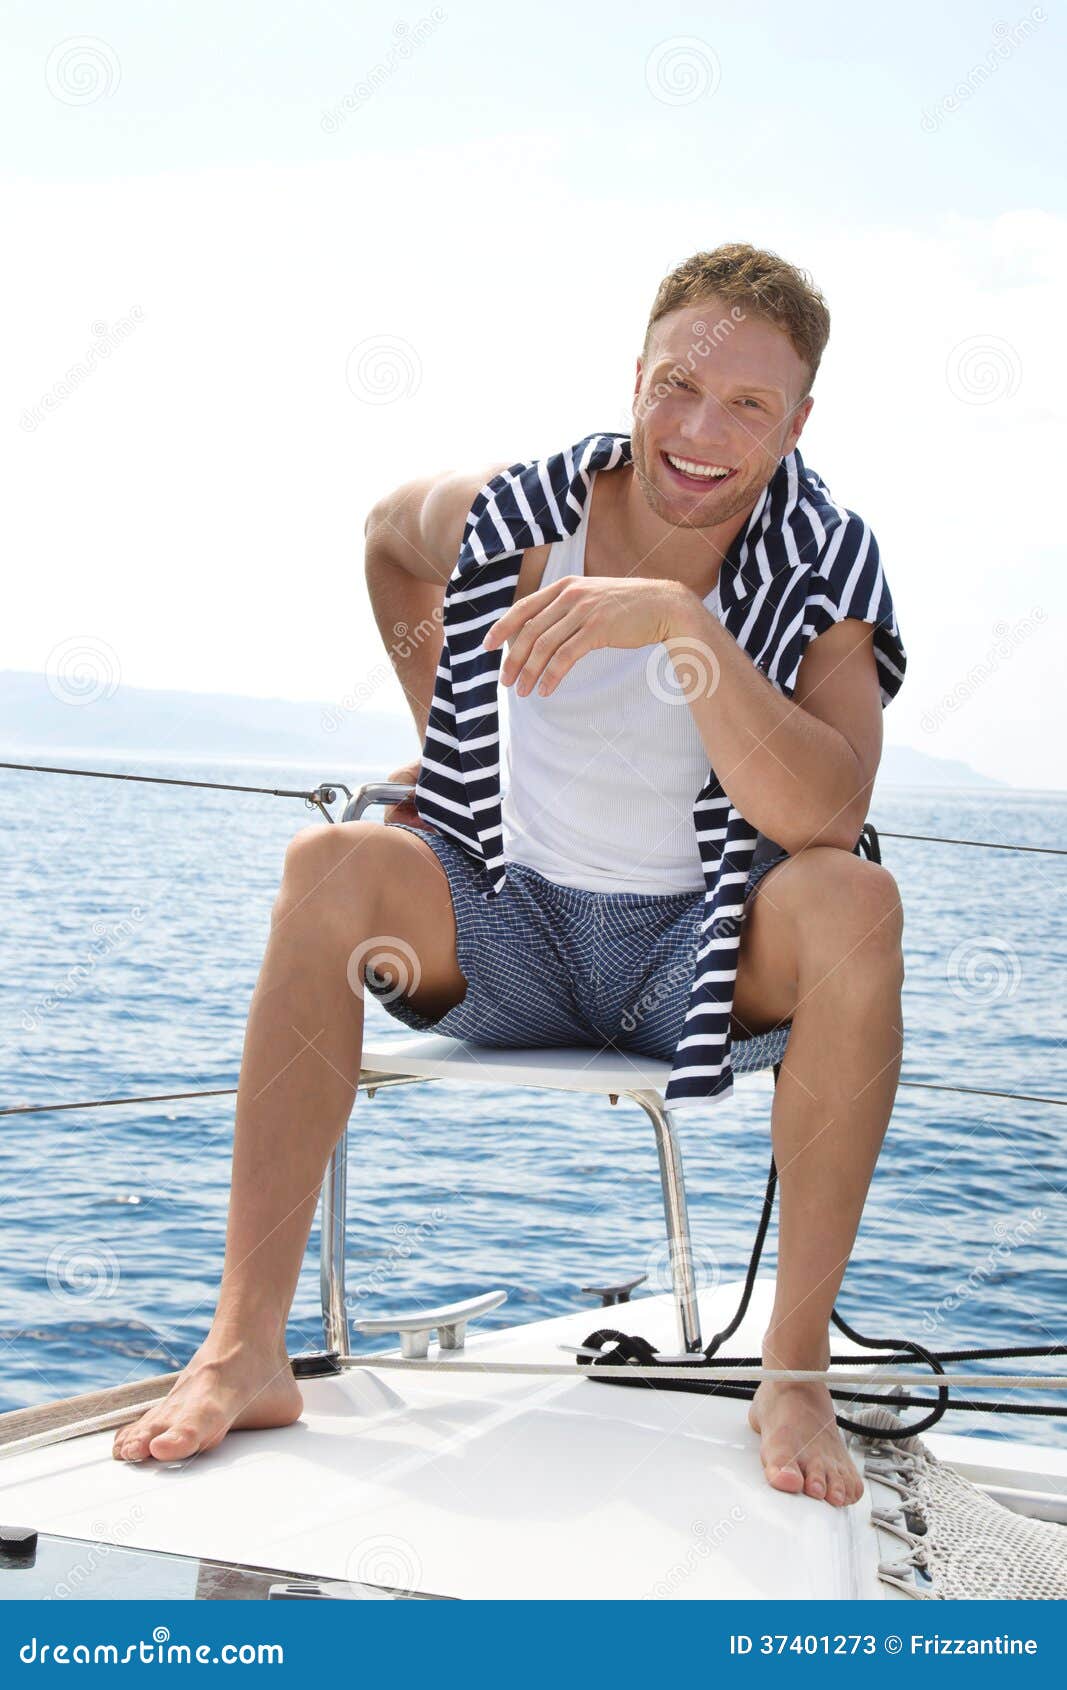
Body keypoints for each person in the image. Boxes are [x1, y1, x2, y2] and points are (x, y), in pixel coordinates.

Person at [114, 244, 905, 1510]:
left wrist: (684, 628)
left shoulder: (823, 560)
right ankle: (245, 1345)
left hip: (696, 961)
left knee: (855, 900)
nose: (699, 432)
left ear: (796, 421)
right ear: (634, 376)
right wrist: (448, 733)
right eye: (676, 388)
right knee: (331, 867)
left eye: (747, 405)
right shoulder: (514, 508)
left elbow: (827, 809)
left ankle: (793, 1368)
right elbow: (387, 540)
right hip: (506, 926)